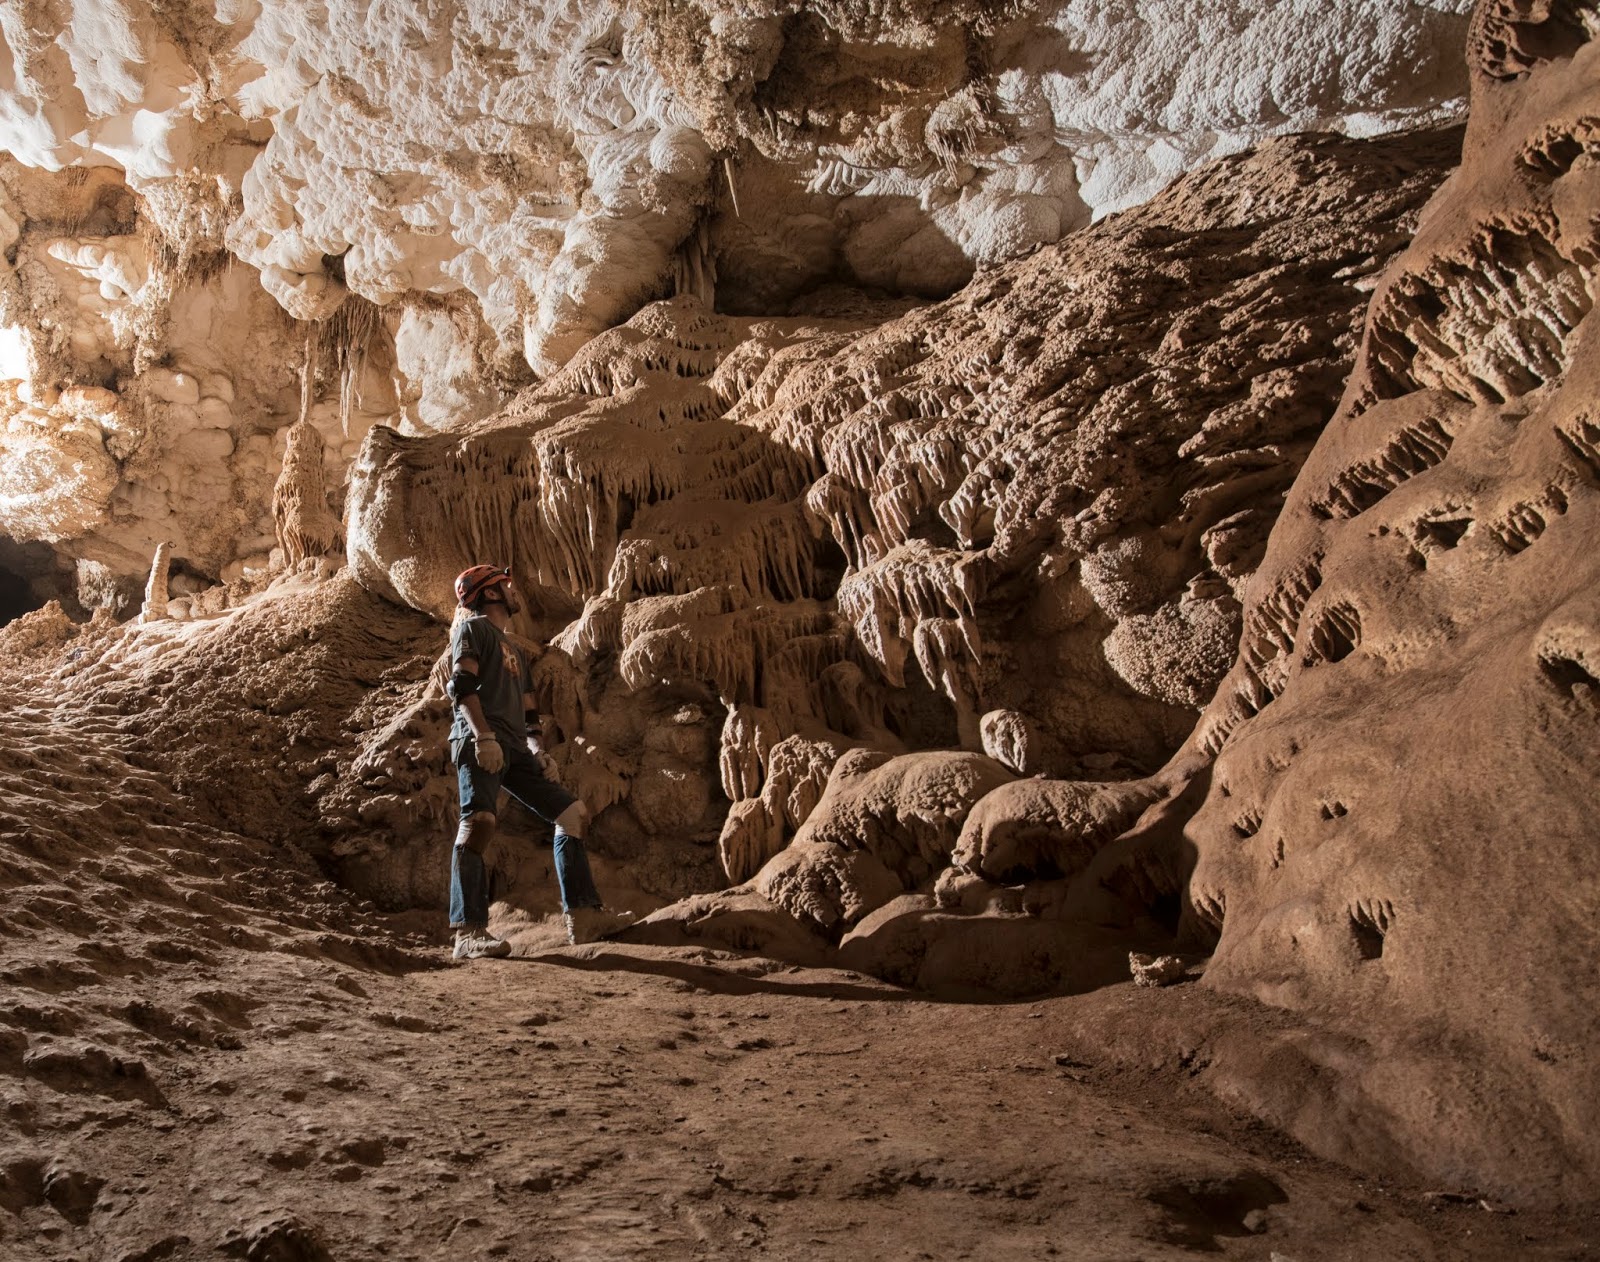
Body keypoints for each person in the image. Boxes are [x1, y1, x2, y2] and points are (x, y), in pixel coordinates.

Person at [445, 563, 630, 957]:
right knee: (478, 822)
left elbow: (530, 712)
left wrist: (537, 751)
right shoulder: (473, 629)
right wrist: (483, 737)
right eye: (505, 585)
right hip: (481, 740)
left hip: (514, 747)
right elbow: (461, 685)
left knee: (573, 814)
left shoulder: (513, 647)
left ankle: (583, 916)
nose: (514, 591)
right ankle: (468, 932)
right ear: (490, 594)